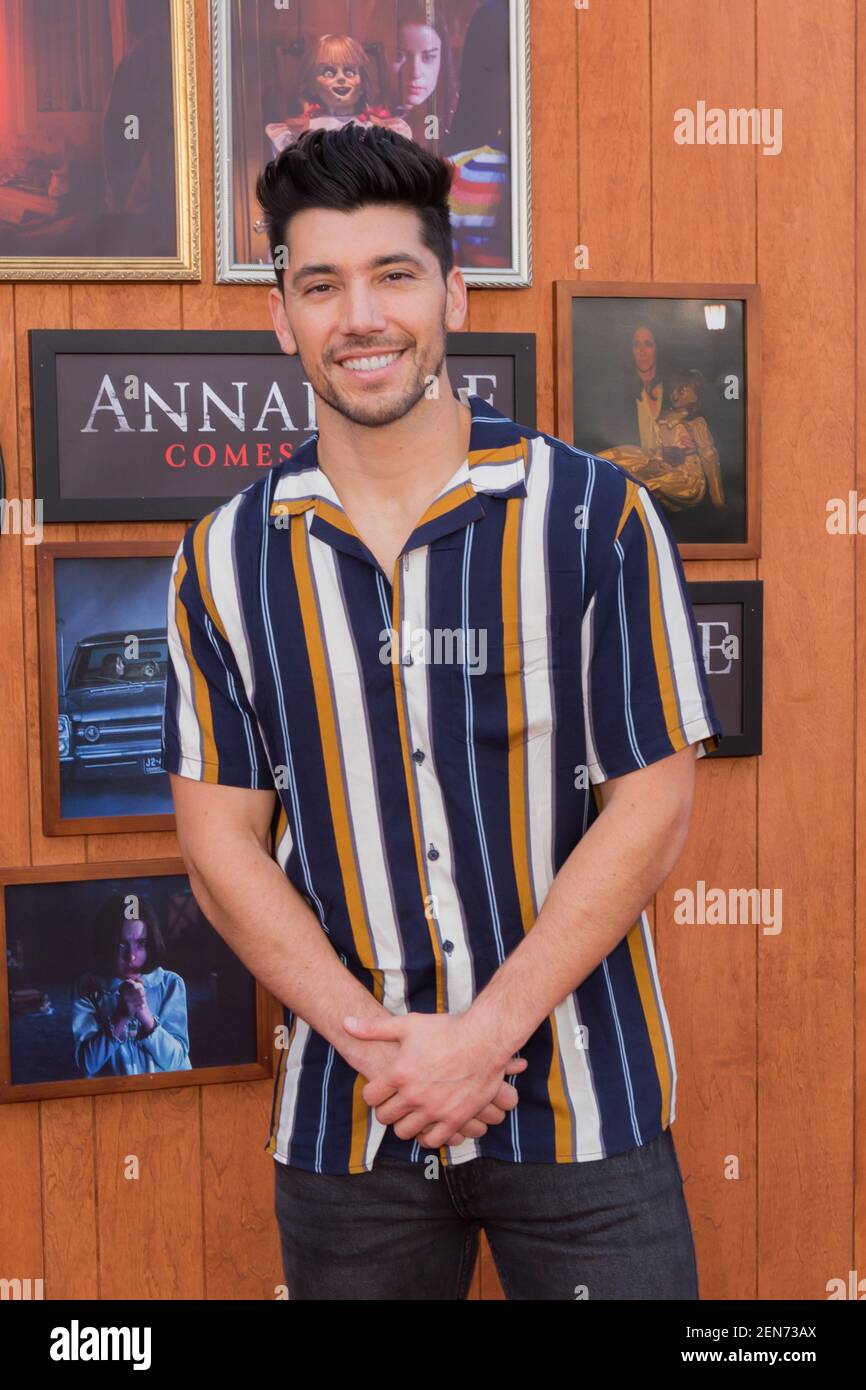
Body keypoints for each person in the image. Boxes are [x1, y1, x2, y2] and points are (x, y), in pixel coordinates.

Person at [161, 124, 722, 1300]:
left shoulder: (594, 517)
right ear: (282, 317)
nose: (358, 315)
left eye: (392, 275)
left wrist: (478, 1039)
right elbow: (219, 849)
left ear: (453, 293)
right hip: (352, 1125)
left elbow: (652, 808)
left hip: (582, 1113)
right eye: (320, 285)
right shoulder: (220, 561)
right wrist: (387, 1047)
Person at [72, 892, 192, 1077]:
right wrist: (121, 1016)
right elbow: (86, 1066)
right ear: (106, 944)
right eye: (121, 944)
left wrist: (144, 1015)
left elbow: (177, 1062)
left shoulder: (170, 984)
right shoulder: (88, 987)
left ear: (151, 942)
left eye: (141, 943)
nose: (131, 957)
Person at [599, 367, 726, 511]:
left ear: (695, 394)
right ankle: (598, 473)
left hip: (686, 476)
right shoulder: (663, 417)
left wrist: (718, 499)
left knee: (648, 480)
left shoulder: (696, 423)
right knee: (625, 456)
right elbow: (656, 445)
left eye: (682, 389)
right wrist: (657, 458)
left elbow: (710, 458)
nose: (675, 394)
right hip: (662, 463)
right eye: (673, 389)